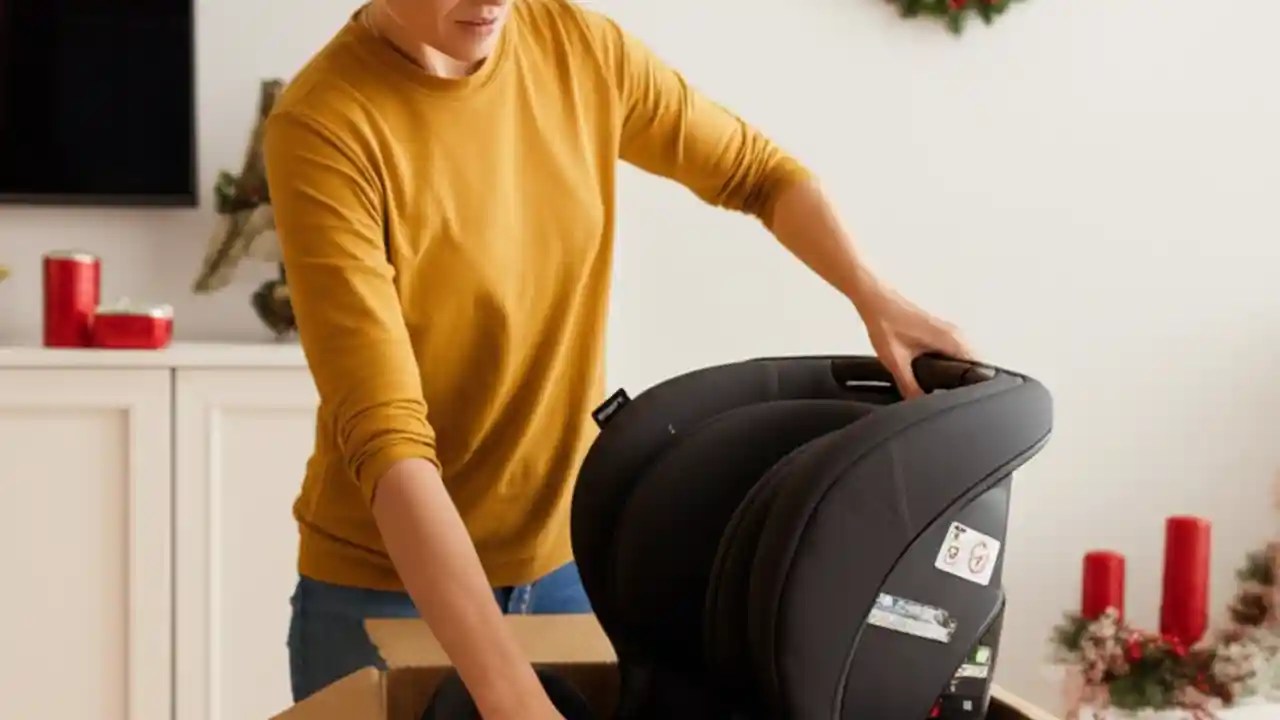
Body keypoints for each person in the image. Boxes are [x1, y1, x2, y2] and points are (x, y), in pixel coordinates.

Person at [263, 0, 974, 717]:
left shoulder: (578, 49)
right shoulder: (326, 126)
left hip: (565, 568)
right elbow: (388, 438)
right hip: (389, 593)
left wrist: (875, 298)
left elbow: (757, 173)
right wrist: (513, 698)